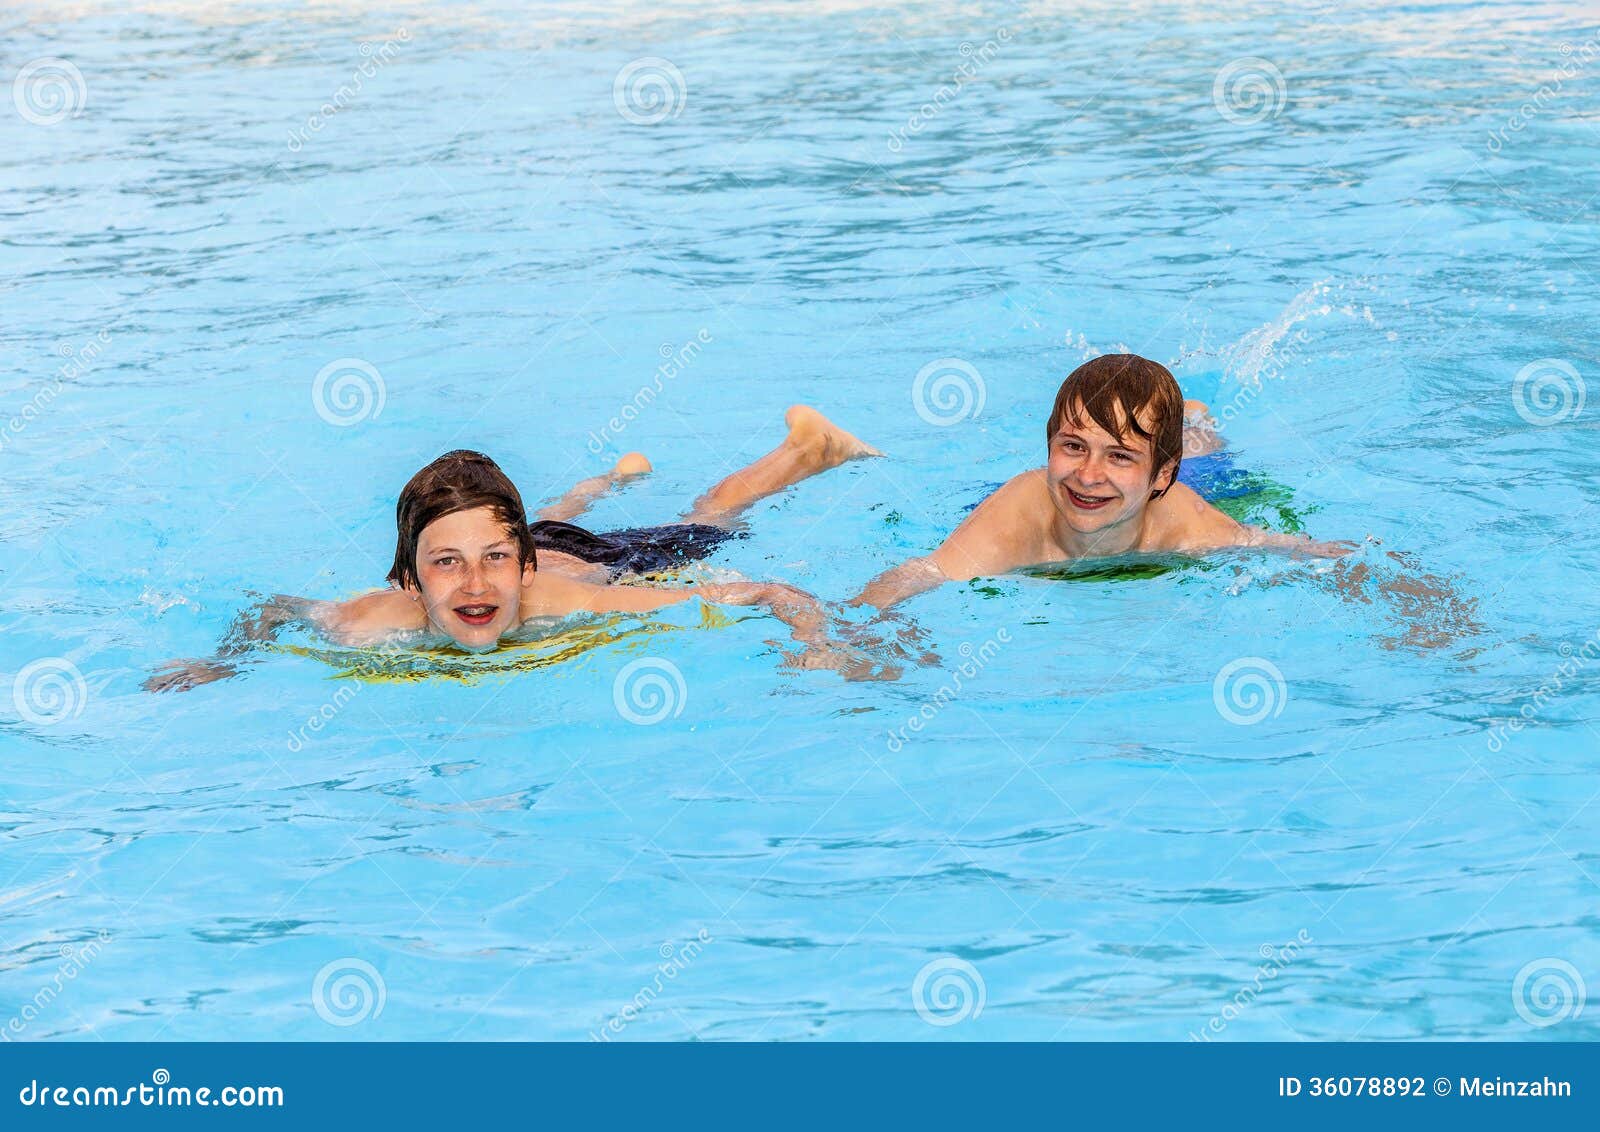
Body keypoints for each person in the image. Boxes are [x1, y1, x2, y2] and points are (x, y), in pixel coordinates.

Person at [145, 406, 887, 691]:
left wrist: (819, 641)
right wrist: (220, 662)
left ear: (521, 568)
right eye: (445, 564)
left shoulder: (578, 602)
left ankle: (805, 449)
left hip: (590, 556)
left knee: (713, 521)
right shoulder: (365, 620)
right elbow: (274, 608)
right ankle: (604, 481)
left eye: (494, 562)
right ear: (407, 578)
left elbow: (763, 590)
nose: (474, 585)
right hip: (532, 535)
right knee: (545, 514)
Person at [849, 354, 1357, 610]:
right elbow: (918, 575)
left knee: (1206, 453)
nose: (1088, 476)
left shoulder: (1186, 523)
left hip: (1198, 481)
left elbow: (1288, 547)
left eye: (1118, 455)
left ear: (1161, 476)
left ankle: (1193, 421)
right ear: (1048, 445)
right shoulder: (1016, 519)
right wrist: (849, 635)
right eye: (1073, 446)